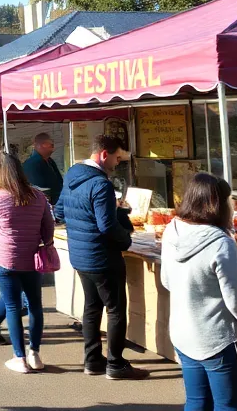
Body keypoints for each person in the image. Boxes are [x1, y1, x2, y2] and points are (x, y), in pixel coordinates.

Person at [161, 173, 237, 410]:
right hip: (218, 340)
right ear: (219, 204)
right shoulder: (221, 243)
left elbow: (166, 280)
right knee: (228, 405)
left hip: (183, 333)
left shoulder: (172, 231)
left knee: (197, 403)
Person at [55, 129, 146, 380]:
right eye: (117, 159)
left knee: (92, 308)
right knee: (115, 309)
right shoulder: (101, 184)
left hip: (81, 255)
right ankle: (116, 364)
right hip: (102, 256)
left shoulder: (72, 175)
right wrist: (125, 238)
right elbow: (106, 226)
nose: (118, 164)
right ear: (104, 155)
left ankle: (93, 360)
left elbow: (60, 211)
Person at [0, 153, 55, 374]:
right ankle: (35, 354)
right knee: (35, 305)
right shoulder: (38, 197)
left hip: (4, 258)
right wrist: (41, 242)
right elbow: (49, 227)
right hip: (31, 257)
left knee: (12, 306)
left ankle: (18, 358)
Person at [23, 132, 64, 206]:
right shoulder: (32, 164)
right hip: (43, 206)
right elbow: (38, 188)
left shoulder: (49, 161)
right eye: (51, 144)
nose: (53, 146)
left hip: (56, 203)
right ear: (42, 145)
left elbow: (58, 181)